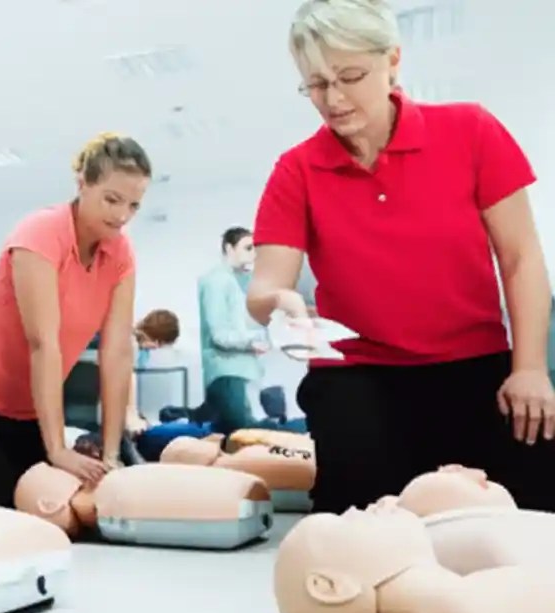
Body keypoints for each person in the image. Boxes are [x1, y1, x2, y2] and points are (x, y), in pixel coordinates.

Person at [247, 0, 555, 514]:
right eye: (317, 84)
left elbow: (521, 258)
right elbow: (263, 289)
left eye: (350, 75)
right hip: (359, 373)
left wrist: (529, 369)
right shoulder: (296, 170)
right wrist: (281, 302)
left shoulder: (472, 131)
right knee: (361, 513)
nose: (334, 98)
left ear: (392, 59)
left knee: (529, 502)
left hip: (474, 363)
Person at [0, 132, 151, 507]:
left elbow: (117, 351)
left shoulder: (121, 253)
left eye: (134, 205)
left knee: (51, 501)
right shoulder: (41, 232)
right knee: (9, 503)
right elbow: (43, 342)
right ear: (82, 183)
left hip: (19, 409)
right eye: (112, 199)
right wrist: (56, 449)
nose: (121, 215)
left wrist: (110, 452)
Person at [198, 227, 271, 434]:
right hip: (227, 372)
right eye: (248, 248)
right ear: (229, 248)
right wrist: (253, 340)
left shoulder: (237, 281)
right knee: (240, 434)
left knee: (237, 435)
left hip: (237, 371)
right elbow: (220, 335)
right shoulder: (217, 281)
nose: (253, 254)